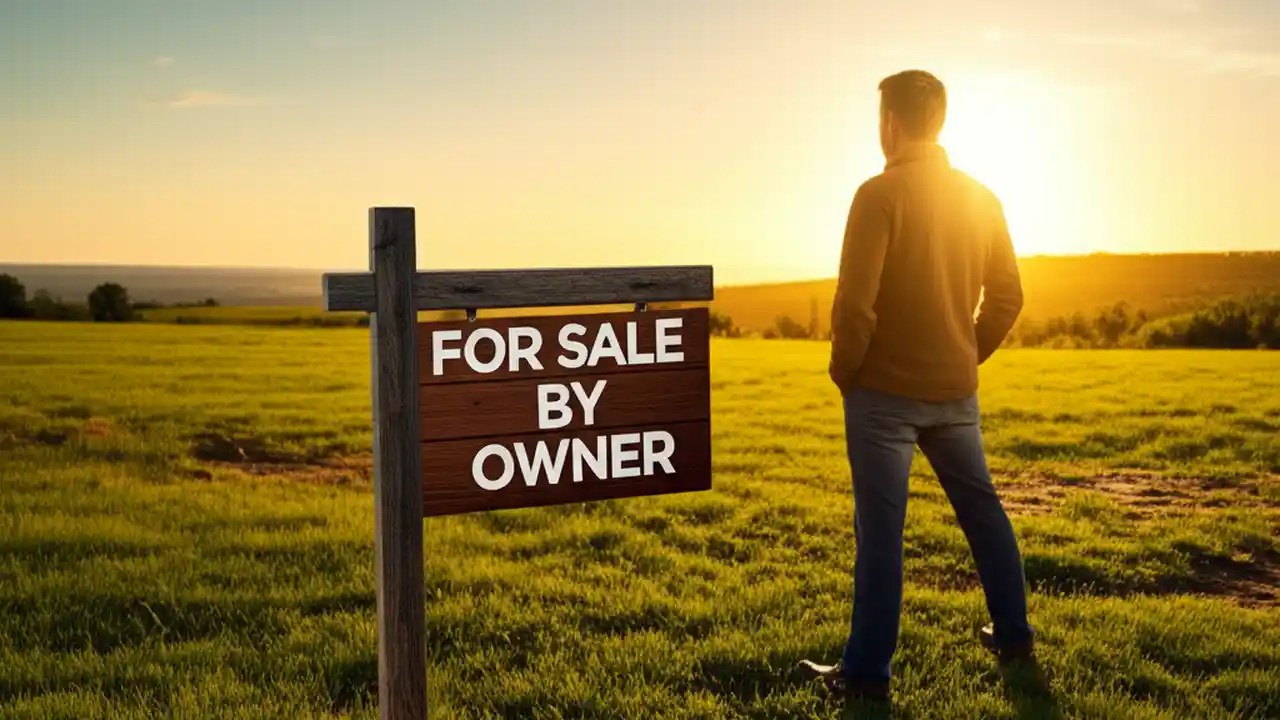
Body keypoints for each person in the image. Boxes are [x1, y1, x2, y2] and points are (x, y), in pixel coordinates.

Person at [799, 69, 1034, 701]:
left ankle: (867, 675)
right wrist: (963, 356)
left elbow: (855, 304)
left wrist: (846, 372)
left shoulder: (877, 194)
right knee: (984, 513)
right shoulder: (982, 197)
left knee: (881, 532)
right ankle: (1014, 636)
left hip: (881, 399)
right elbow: (1009, 297)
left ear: (890, 124)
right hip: (955, 394)